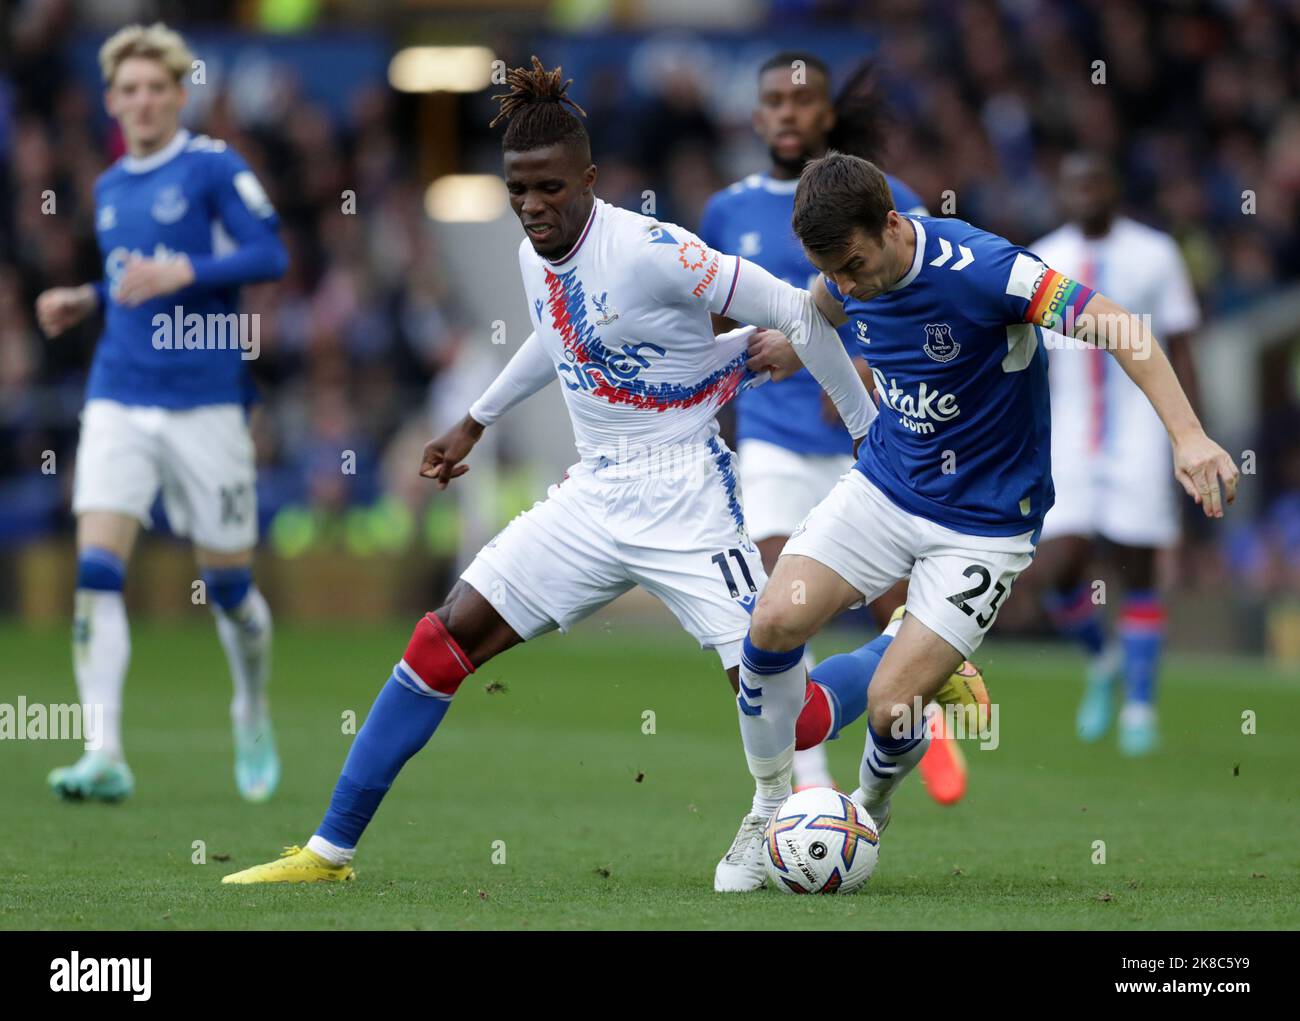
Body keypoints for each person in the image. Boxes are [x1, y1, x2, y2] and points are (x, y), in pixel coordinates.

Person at [220, 58, 875, 890]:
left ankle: (903, 664)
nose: (532, 206)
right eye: (518, 190)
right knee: (441, 638)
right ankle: (328, 851)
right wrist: (475, 419)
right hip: (593, 493)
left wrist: (867, 429)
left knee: (797, 704)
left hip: (687, 493)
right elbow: (556, 336)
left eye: (550, 189)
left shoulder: (658, 251)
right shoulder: (537, 255)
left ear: (591, 181)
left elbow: (795, 311)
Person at [737, 152, 1238, 889]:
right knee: (772, 626)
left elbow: (1122, 327)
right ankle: (767, 809)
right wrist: (795, 336)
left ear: (891, 225)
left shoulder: (987, 271)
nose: (844, 280)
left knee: (891, 707)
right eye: (829, 268)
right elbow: (827, 300)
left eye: (851, 263)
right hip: (885, 485)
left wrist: (1189, 435)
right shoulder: (847, 270)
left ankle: (866, 809)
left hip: (986, 523)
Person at [699, 52, 973, 801]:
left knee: (896, 613)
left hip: (870, 442)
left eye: (803, 101)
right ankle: (808, 789)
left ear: (827, 115)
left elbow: (928, 316)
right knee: (780, 610)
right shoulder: (726, 211)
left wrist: (860, 371)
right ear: (756, 118)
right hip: (772, 439)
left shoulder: (892, 201)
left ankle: (922, 701)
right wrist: (703, 432)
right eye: (773, 103)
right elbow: (715, 334)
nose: (787, 113)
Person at [34, 23, 288, 803]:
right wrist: (91, 295)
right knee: (97, 566)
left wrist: (190, 268)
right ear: (114, 102)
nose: (143, 102)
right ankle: (103, 749)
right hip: (118, 392)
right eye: (129, 91)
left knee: (230, 588)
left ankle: (250, 705)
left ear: (180, 95)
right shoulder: (110, 187)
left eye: (157, 89)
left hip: (206, 402)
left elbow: (271, 253)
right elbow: (132, 279)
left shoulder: (212, 167)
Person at [1028, 152, 1202, 755]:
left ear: (1114, 188)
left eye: (1096, 182)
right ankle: (1102, 661)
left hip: (1138, 428)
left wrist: (1190, 432)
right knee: (1060, 564)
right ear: (1064, 193)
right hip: (1069, 426)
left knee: (1137, 565)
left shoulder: (1154, 252)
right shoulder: (1042, 255)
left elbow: (1180, 343)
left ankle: (1141, 707)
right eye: (1075, 185)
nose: (1086, 194)